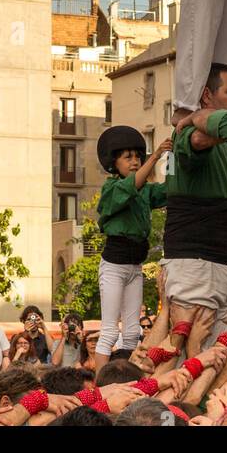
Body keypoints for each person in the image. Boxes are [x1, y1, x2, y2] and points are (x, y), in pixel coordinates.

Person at [163, 65, 227, 334]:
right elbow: (197, 139)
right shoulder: (187, 132)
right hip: (194, 264)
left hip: (225, 262)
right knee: (190, 353)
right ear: (207, 96)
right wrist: (199, 117)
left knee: (218, 353)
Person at [95, 126, 167, 362]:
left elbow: (169, 191)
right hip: (114, 267)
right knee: (109, 332)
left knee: (131, 333)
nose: (135, 161)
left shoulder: (145, 190)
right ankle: (100, 388)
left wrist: (176, 158)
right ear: (115, 163)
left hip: (135, 267)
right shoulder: (112, 188)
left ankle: (126, 379)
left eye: (138, 156)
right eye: (128, 157)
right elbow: (131, 186)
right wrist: (155, 156)